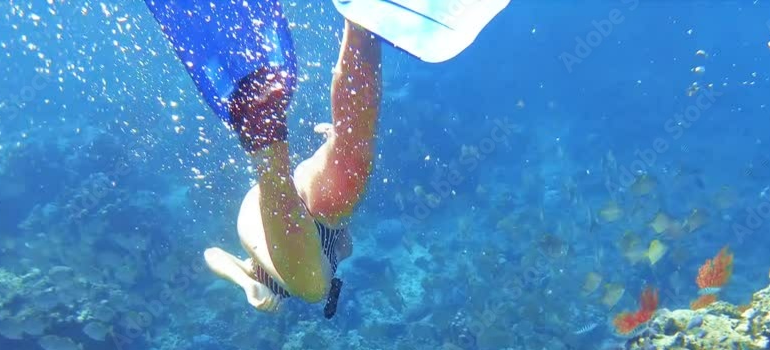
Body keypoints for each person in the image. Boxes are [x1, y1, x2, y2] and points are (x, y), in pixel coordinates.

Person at [144, 0, 508, 317]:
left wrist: (247, 285)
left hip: (259, 215)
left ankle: (263, 136)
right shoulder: (333, 253)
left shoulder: (278, 280)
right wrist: (338, 143)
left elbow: (213, 254)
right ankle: (363, 25)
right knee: (349, 180)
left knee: (313, 288)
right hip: (314, 221)